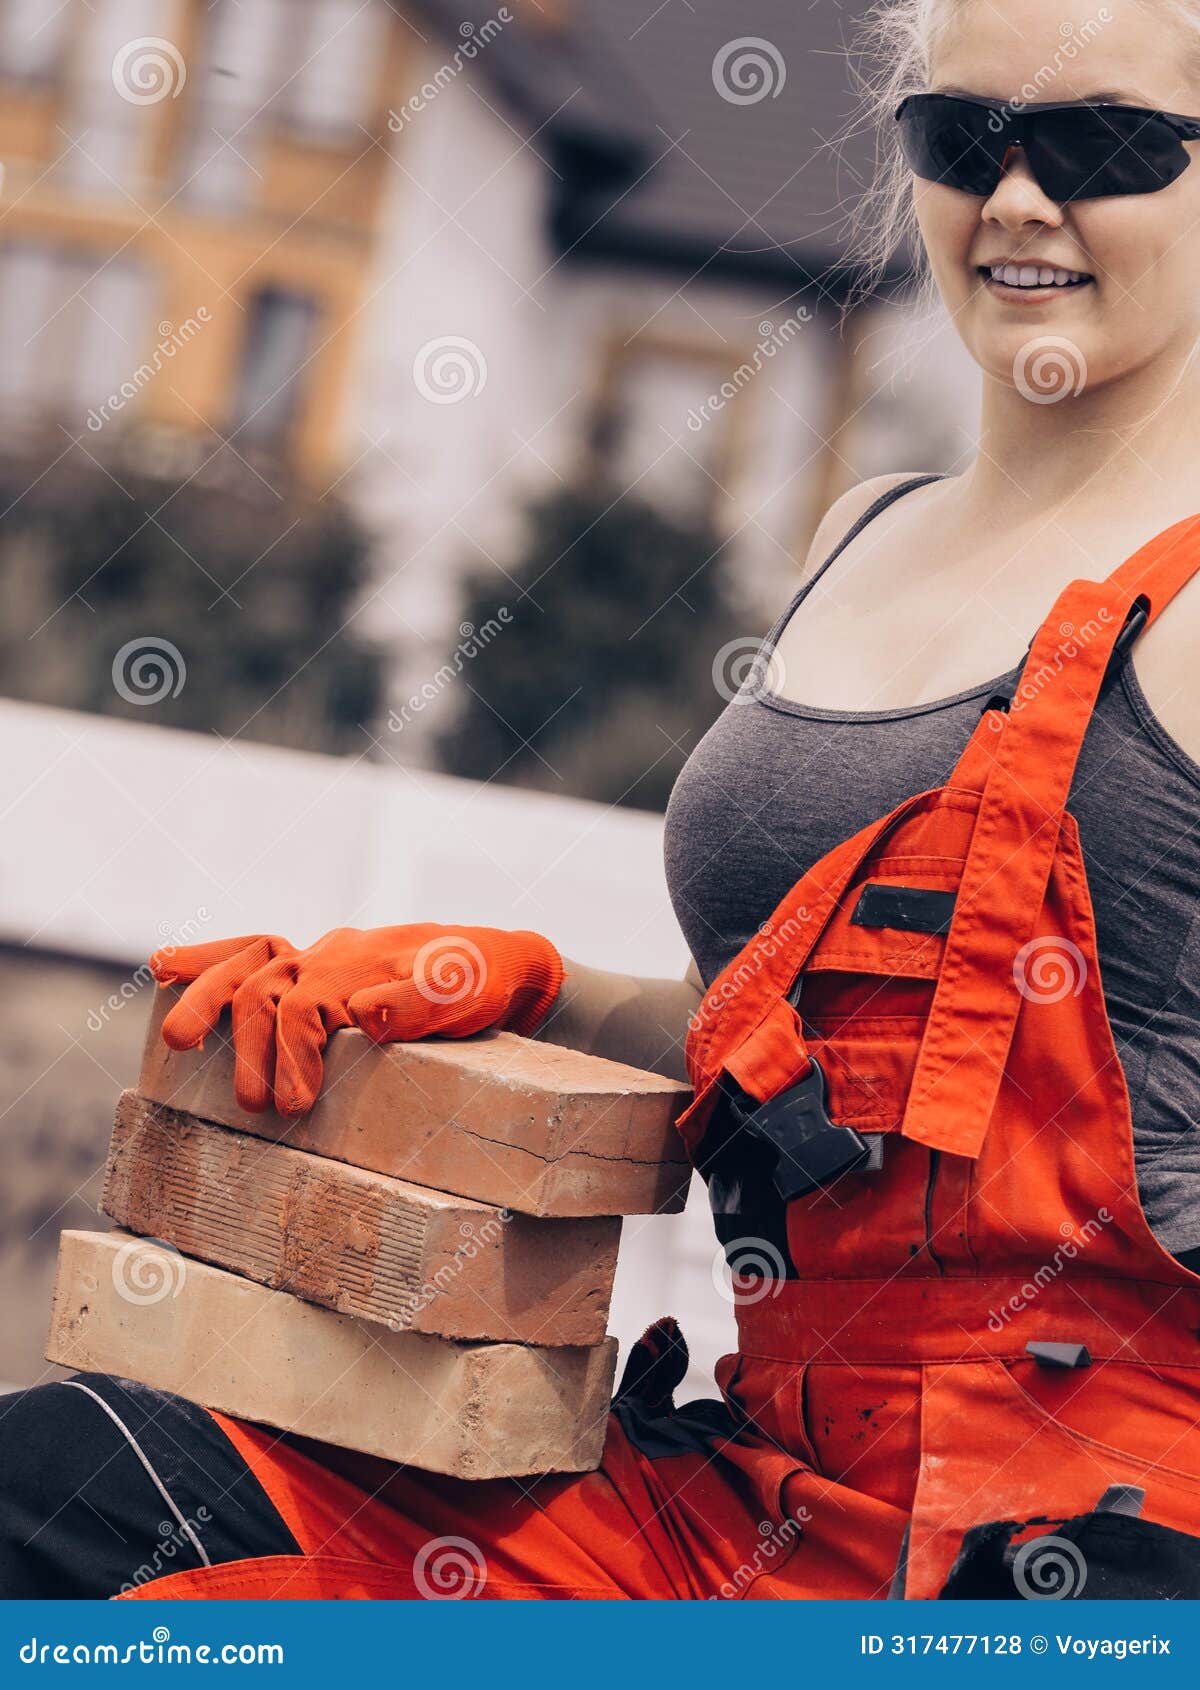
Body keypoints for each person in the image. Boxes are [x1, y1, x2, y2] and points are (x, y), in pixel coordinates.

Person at [5, 0, 1200, 1600]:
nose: (1019, 197)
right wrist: (530, 987)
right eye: (963, 137)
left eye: (1104, 145)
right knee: (73, 1500)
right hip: (744, 1495)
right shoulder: (866, 530)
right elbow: (822, 1043)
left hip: (1091, 1559)